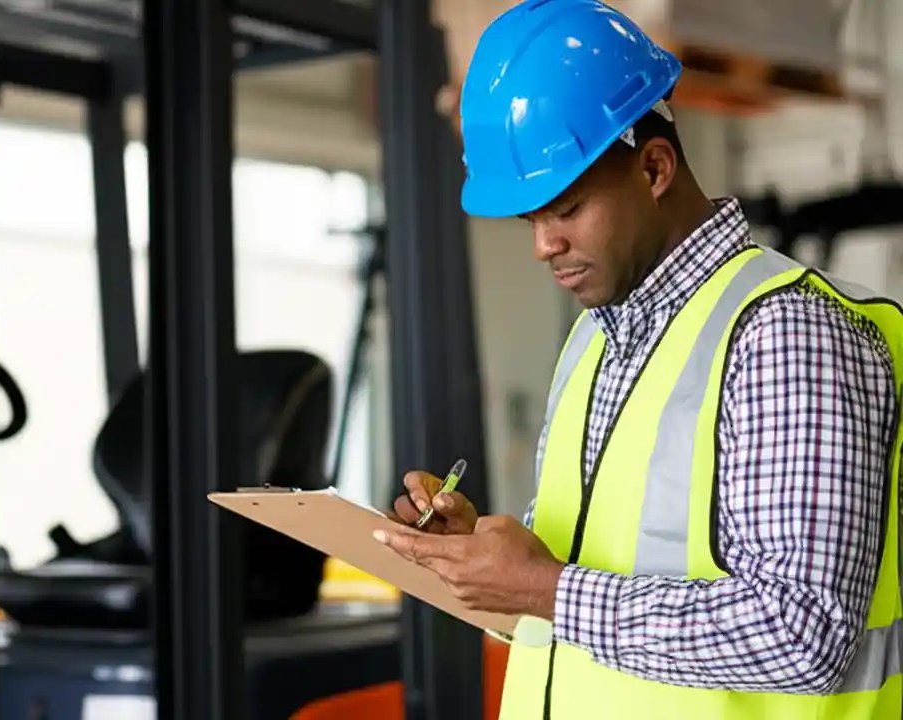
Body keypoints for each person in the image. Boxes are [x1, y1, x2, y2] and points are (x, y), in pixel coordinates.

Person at [373, 0, 903, 717]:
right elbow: (586, 599)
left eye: (565, 209)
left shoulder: (785, 334)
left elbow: (801, 634)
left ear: (653, 167)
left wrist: (545, 587)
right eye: (531, 219)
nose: (543, 246)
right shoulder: (595, 337)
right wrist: (489, 566)